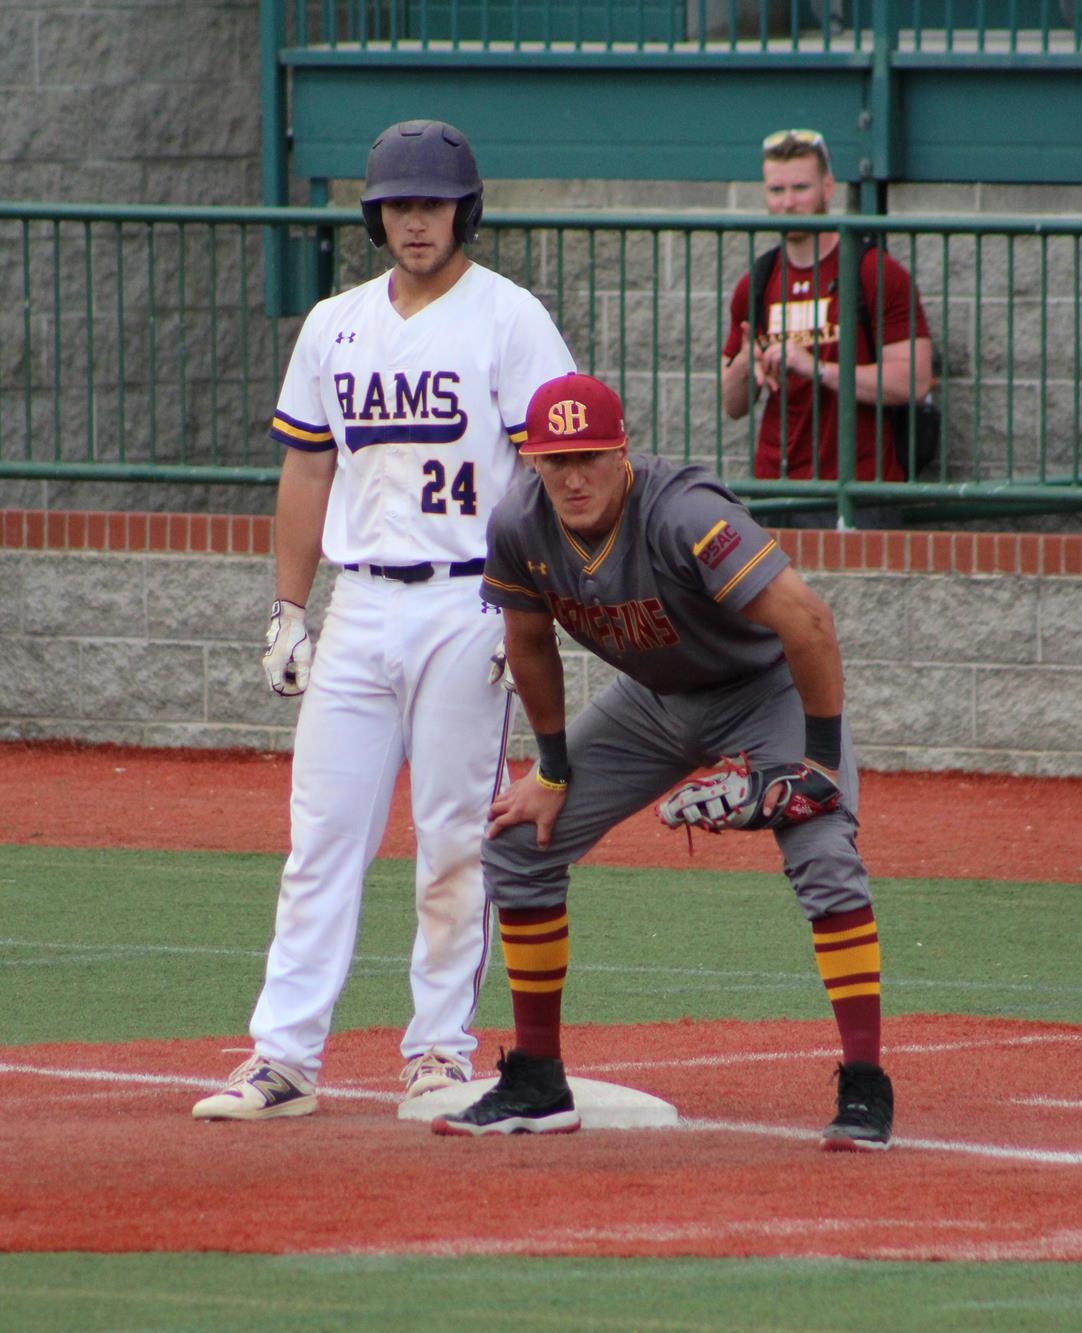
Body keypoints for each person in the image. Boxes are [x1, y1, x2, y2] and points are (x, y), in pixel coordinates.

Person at [193, 120, 576, 1119]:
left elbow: (550, 470)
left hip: (469, 596)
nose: (415, 221)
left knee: (453, 838)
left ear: (464, 212)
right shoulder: (335, 323)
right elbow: (307, 466)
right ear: (375, 215)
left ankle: (440, 1051)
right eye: (399, 204)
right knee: (321, 837)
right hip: (359, 599)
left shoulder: (509, 318)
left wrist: (529, 604)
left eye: (432, 204)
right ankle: (283, 1056)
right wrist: (289, 609)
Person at [433, 371, 894, 1149]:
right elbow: (529, 644)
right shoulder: (519, 522)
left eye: (588, 456)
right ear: (532, 461)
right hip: (654, 700)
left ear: (622, 453)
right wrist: (551, 770)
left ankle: (865, 1083)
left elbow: (809, 622)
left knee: (823, 855)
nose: (573, 477)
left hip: (765, 691)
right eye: (554, 460)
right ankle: (538, 1080)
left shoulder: (685, 514)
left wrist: (816, 763)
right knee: (518, 841)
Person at [720, 128, 936, 528]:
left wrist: (817, 368)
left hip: (857, 493)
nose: (788, 203)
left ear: (828, 188)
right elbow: (732, 405)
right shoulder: (757, 282)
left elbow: (914, 381)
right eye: (776, 190)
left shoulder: (873, 272)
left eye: (800, 188)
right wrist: (746, 363)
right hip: (773, 492)